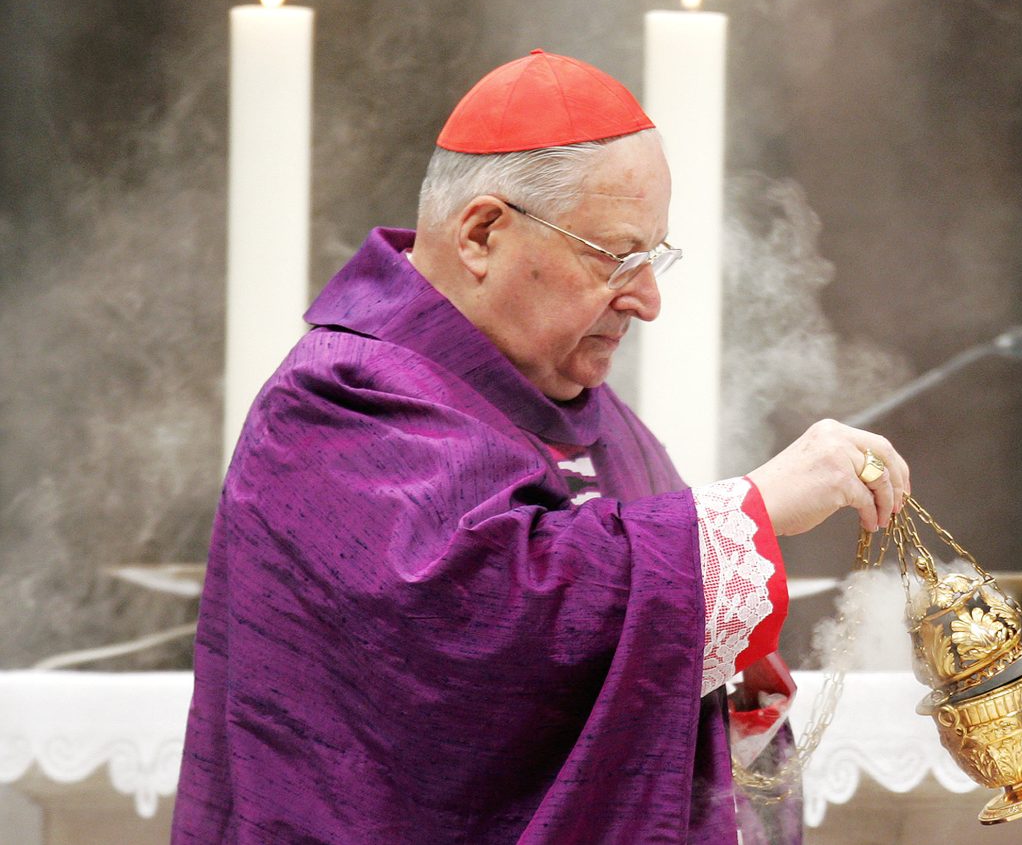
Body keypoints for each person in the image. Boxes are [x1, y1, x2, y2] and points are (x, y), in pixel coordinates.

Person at [173, 50, 909, 844]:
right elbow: (487, 640)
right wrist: (748, 512)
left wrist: (732, 698)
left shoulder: (595, 415)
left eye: (654, 257)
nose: (649, 299)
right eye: (613, 255)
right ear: (483, 233)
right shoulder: (340, 401)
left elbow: (632, 667)